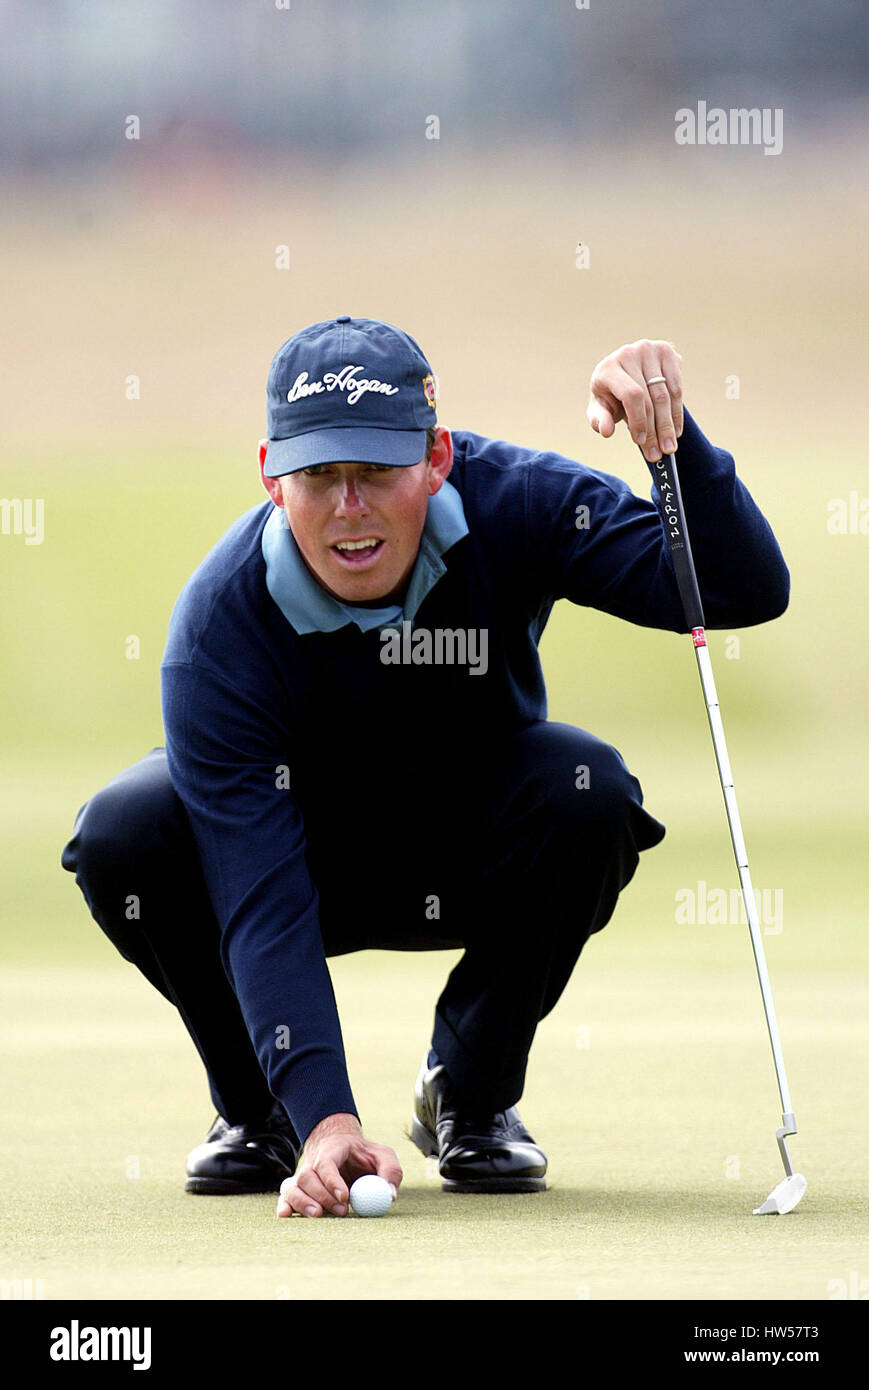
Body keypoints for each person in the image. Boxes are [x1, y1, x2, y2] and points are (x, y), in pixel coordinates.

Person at [61, 316, 789, 1220]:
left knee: (585, 788)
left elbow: (737, 589)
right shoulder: (220, 627)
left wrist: (673, 448)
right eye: (319, 476)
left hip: (466, 848)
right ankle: (260, 1114)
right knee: (125, 830)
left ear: (437, 457)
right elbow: (259, 895)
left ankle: (469, 1093)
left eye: (376, 472)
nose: (348, 507)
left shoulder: (518, 500)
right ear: (269, 476)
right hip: (293, 868)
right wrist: (326, 1114)